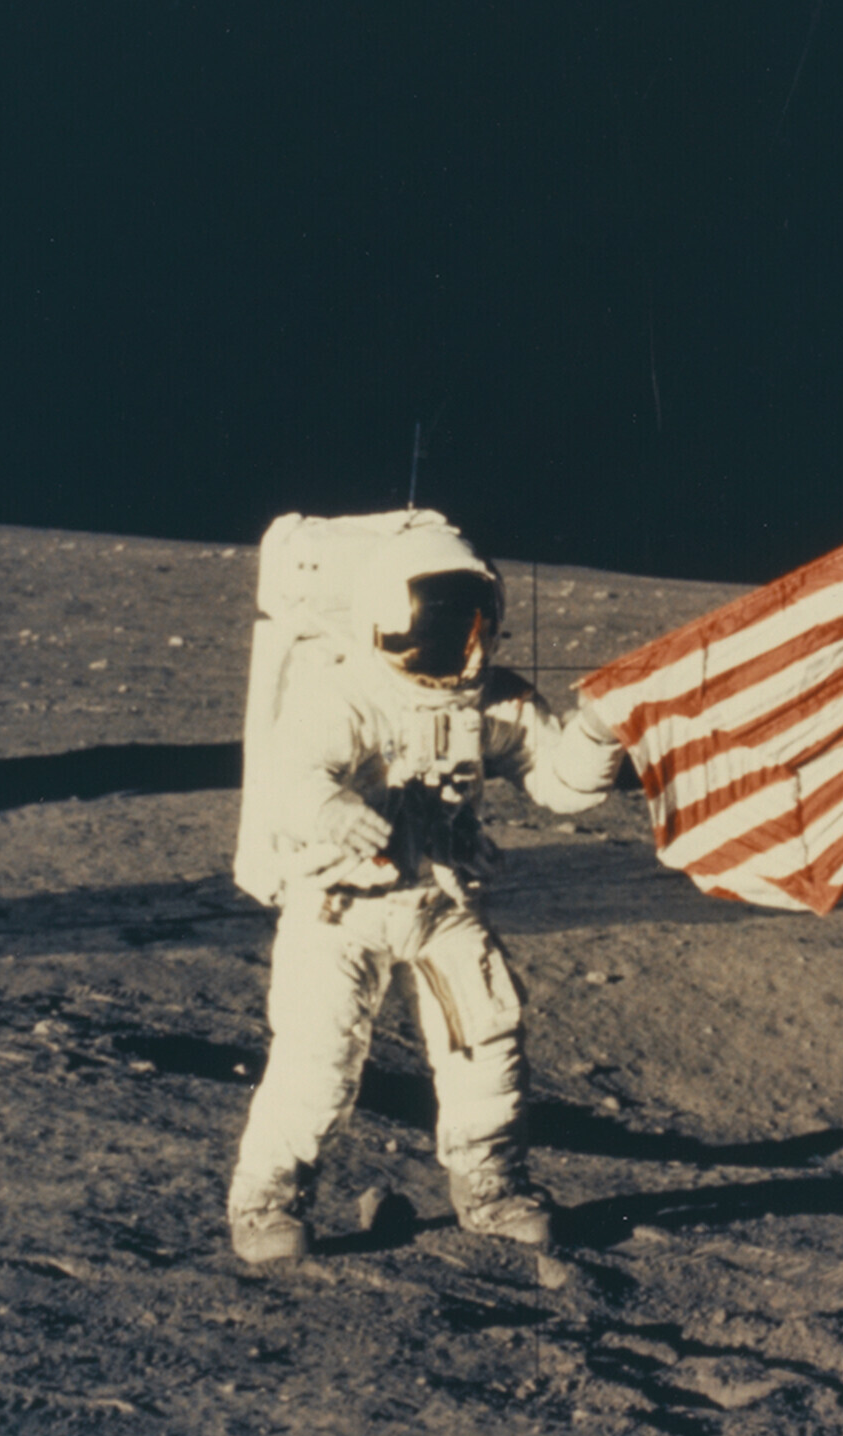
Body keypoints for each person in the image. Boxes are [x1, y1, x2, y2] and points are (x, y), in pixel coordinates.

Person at [227, 518, 628, 1266]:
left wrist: (598, 736)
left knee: (487, 1040)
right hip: (340, 906)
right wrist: (331, 811)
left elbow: (555, 782)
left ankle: (491, 1185)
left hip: (441, 902)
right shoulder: (344, 691)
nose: (462, 644)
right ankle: (268, 1197)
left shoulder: (493, 701)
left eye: (473, 624)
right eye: (442, 625)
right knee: (319, 1057)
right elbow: (290, 773)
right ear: (388, 617)